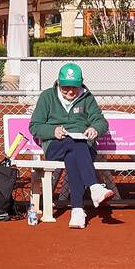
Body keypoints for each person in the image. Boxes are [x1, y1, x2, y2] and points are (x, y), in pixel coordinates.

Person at [28, 62, 113, 228]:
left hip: (82, 148)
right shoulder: (47, 96)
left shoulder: (87, 97)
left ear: (80, 83)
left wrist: (95, 129)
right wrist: (53, 131)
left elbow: (101, 121)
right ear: (58, 83)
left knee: (74, 155)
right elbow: (34, 126)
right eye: (65, 87)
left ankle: (78, 212)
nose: (70, 91)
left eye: (74, 87)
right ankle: (94, 187)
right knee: (75, 144)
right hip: (55, 146)